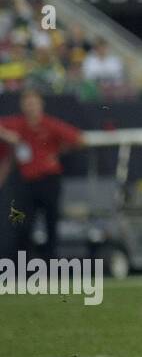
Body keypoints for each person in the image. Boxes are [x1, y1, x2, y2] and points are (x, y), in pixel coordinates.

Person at [0, 89, 83, 260]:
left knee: (50, 223)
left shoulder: (49, 124)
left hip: (49, 180)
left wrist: (58, 152)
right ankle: (27, 264)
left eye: (33, 103)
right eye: (27, 104)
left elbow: (78, 139)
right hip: (27, 182)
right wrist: (8, 136)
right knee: (23, 224)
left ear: (41, 105)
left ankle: (50, 263)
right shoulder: (18, 124)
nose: (30, 107)